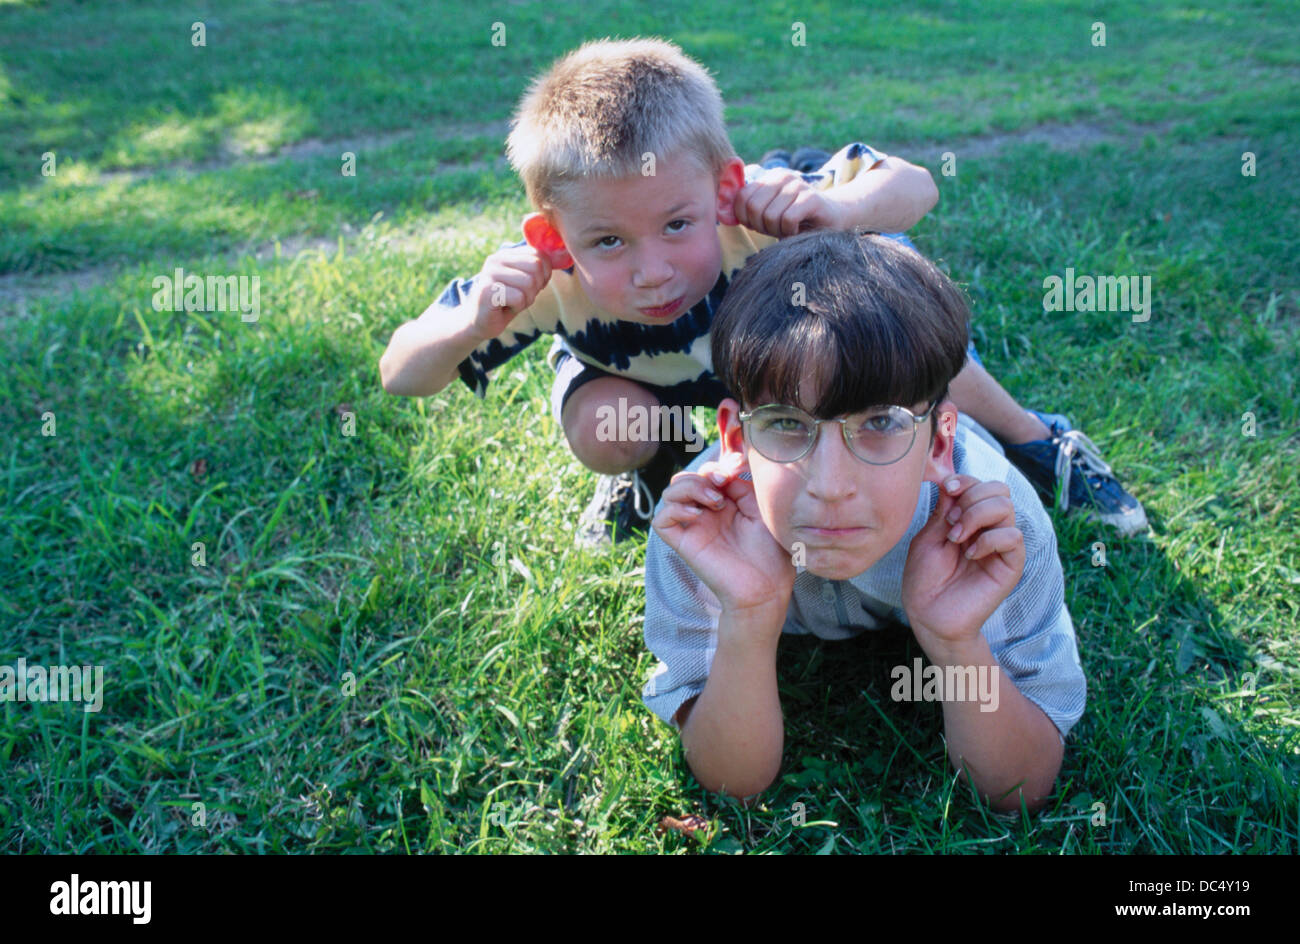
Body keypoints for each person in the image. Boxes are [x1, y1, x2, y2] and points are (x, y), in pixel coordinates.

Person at [378, 37, 1145, 547]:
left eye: (677, 224)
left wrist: (837, 214)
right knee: (606, 425)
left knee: (900, 343)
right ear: (552, 238)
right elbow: (401, 374)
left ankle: (1040, 443)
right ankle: (655, 480)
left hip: (785, 361)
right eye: (608, 241)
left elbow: (917, 187)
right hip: (664, 386)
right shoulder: (539, 277)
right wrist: (469, 322)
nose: (651, 270)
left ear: (723, 190)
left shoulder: (760, 212)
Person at [643, 229, 1086, 812]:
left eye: (880, 423)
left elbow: (1018, 790)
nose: (829, 486)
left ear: (937, 444)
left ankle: (1037, 434)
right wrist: (747, 617)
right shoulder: (701, 531)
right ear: (733, 438)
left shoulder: (993, 527)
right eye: (786, 424)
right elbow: (733, 781)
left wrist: (957, 643)